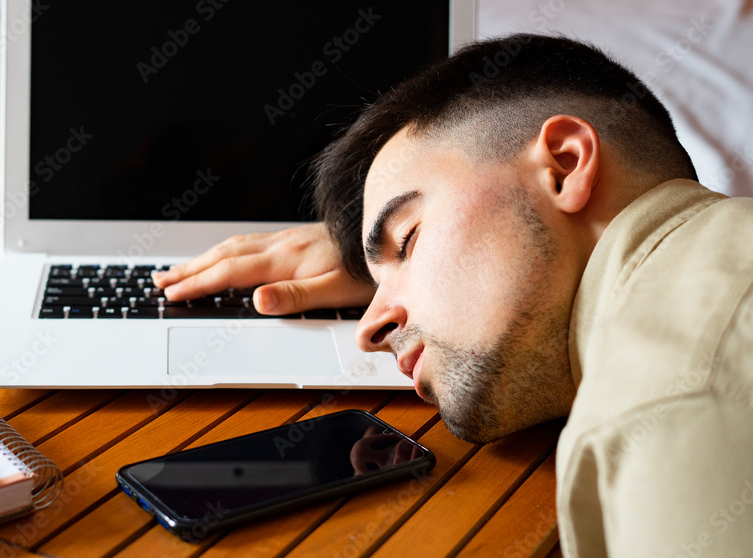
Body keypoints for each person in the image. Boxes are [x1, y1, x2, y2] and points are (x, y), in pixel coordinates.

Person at [152, 34, 753, 556]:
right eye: (374, 273)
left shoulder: (668, 404)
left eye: (408, 239)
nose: (368, 329)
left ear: (565, 166)